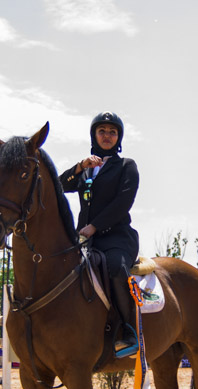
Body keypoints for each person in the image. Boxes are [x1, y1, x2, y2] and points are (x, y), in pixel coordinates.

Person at [59, 112, 140, 357]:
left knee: (115, 267)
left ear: (119, 138)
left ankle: (129, 330)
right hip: (85, 241)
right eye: (102, 131)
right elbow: (60, 186)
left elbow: (123, 202)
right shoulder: (86, 169)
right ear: (94, 135)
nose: (107, 136)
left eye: (112, 132)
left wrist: (94, 226)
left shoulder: (126, 166)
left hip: (117, 237)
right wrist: (80, 166)